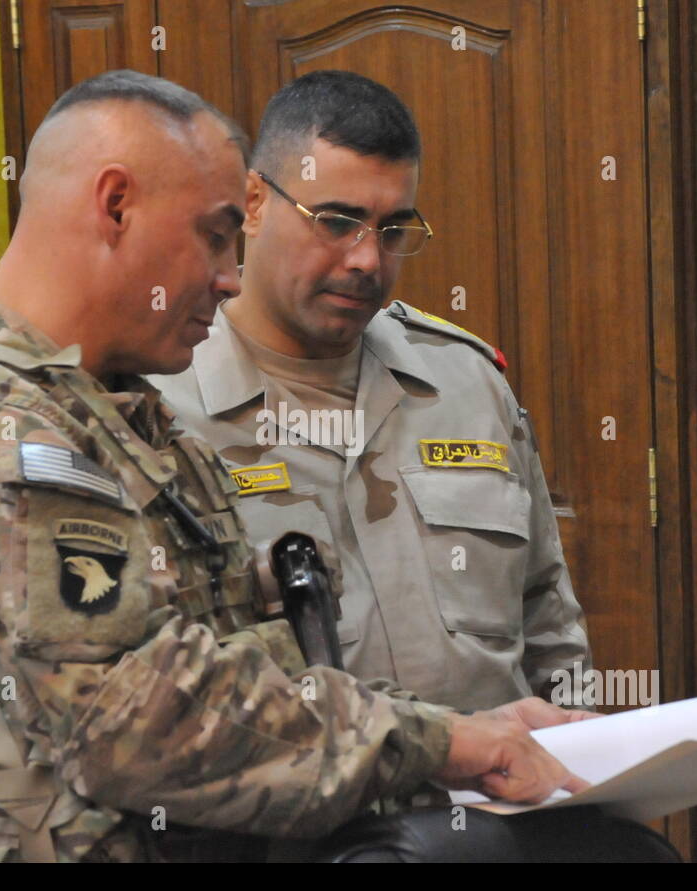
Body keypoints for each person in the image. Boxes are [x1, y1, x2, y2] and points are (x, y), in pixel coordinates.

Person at [0, 70, 598, 864]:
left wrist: (469, 733)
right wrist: (443, 742)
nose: (228, 275)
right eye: (214, 235)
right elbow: (138, 721)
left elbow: (241, 666)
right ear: (115, 205)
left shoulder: (103, 411)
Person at [150, 71, 592, 713]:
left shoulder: (463, 382)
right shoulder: (160, 405)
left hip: (504, 778)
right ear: (253, 202)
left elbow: (549, 623)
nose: (367, 261)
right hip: (303, 782)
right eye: (336, 222)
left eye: (392, 231)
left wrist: (579, 748)